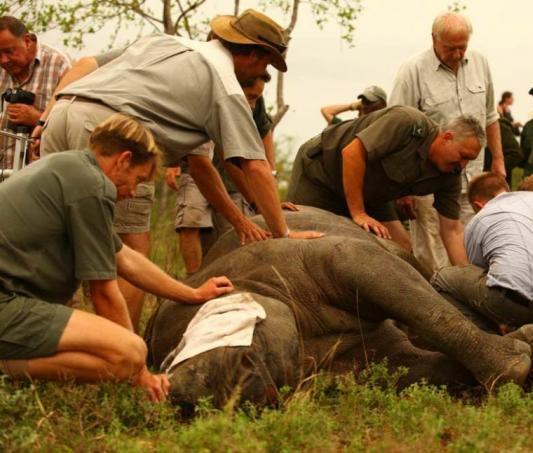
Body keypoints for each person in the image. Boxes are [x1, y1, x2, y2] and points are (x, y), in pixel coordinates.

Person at [34, 9, 322, 327]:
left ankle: (40, 338)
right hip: (112, 135)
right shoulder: (224, 83)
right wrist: (282, 230)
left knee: (52, 239)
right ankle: (119, 354)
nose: (263, 70)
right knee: (128, 250)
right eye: (267, 63)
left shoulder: (165, 43)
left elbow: (86, 63)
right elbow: (255, 165)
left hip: (62, 113)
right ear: (254, 54)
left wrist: (48, 111)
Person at [0, 114, 234, 402]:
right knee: (129, 354)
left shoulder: (71, 169)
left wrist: (193, 292)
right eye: (137, 179)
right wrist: (140, 371)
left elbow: (125, 259)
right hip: (6, 304)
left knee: (125, 355)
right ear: (123, 160)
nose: (133, 192)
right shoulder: (92, 186)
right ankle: (6, 366)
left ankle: (10, 364)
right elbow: (103, 293)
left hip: (12, 301)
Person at [288, 106, 484, 268]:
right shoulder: (407, 123)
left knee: (402, 249)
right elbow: (352, 154)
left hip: (372, 193)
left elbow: (452, 231)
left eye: (470, 159)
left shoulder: (450, 174)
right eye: (463, 155)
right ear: (446, 137)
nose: (463, 165)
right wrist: (358, 212)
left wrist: (465, 279)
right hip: (323, 172)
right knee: (304, 244)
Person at [389, 12, 504, 271]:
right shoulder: (413, 70)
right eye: (450, 48)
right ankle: (435, 306)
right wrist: (403, 188)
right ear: (434, 40)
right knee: (432, 252)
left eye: (462, 47)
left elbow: (490, 116)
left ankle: (471, 301)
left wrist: (497, 161)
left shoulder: (480, 63)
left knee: (475, 243)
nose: (458, 54)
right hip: (426, 180)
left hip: (473, 177)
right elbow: (397, 129)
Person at [431, 172, 533, 357]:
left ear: (479, 205)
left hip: (510, 303)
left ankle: (496, 346)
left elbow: (480, 274)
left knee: (441, 280)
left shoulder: (479, 219)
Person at [166, 72, 288, 275]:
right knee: (191, 221)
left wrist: (266, 198)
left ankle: (233, 278)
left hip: (235, 179)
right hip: (198, 168)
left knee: (235, 233)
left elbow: (260, 138)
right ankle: (194, 278)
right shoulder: (215, 93)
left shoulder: (254, 103)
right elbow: (216, 158)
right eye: (249, 96)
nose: (251, 103)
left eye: (255, 98)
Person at [0, 15, 70, 170]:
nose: (4, 60)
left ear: (28, 40)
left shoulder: (59, 64)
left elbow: (71, 125)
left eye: (9, 51)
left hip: (40, 174)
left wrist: (38, 119)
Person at [320, 85, 387, 125]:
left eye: (370, 102)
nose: (365, 106)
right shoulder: (348, 128)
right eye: (363, 102)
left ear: (382, 105)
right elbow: (326, 111)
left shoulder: (383, 127)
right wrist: (351, 106)